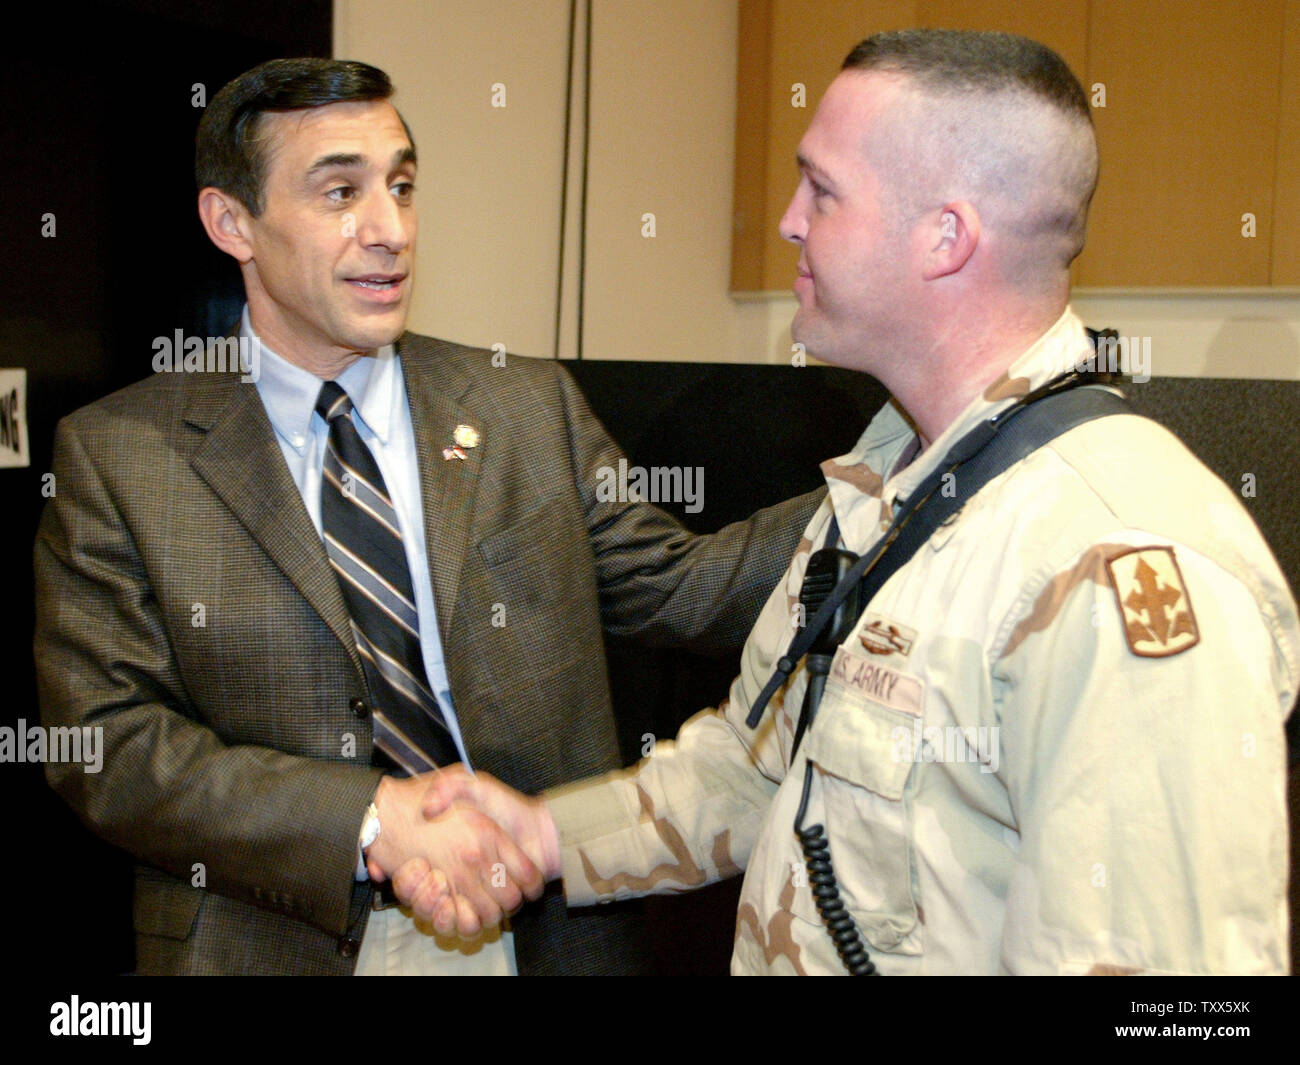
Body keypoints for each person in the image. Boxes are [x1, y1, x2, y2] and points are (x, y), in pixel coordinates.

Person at [401, 29, 1300, 974]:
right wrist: (540, 836)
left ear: (945, 236)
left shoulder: (1115, 558)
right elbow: (755, 766)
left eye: (823, 191)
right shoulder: (892, 481)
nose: (789, 220)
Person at [33, 57, 820, 976]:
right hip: (272, 934)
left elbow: (684, 588)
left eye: (402, 186)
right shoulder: (122, 453)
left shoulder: (523, 405)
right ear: (231, 222)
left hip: (534, 928)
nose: (391, 230)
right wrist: (369, 817)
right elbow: (109, 744)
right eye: (340, 192)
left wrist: (890, 482)